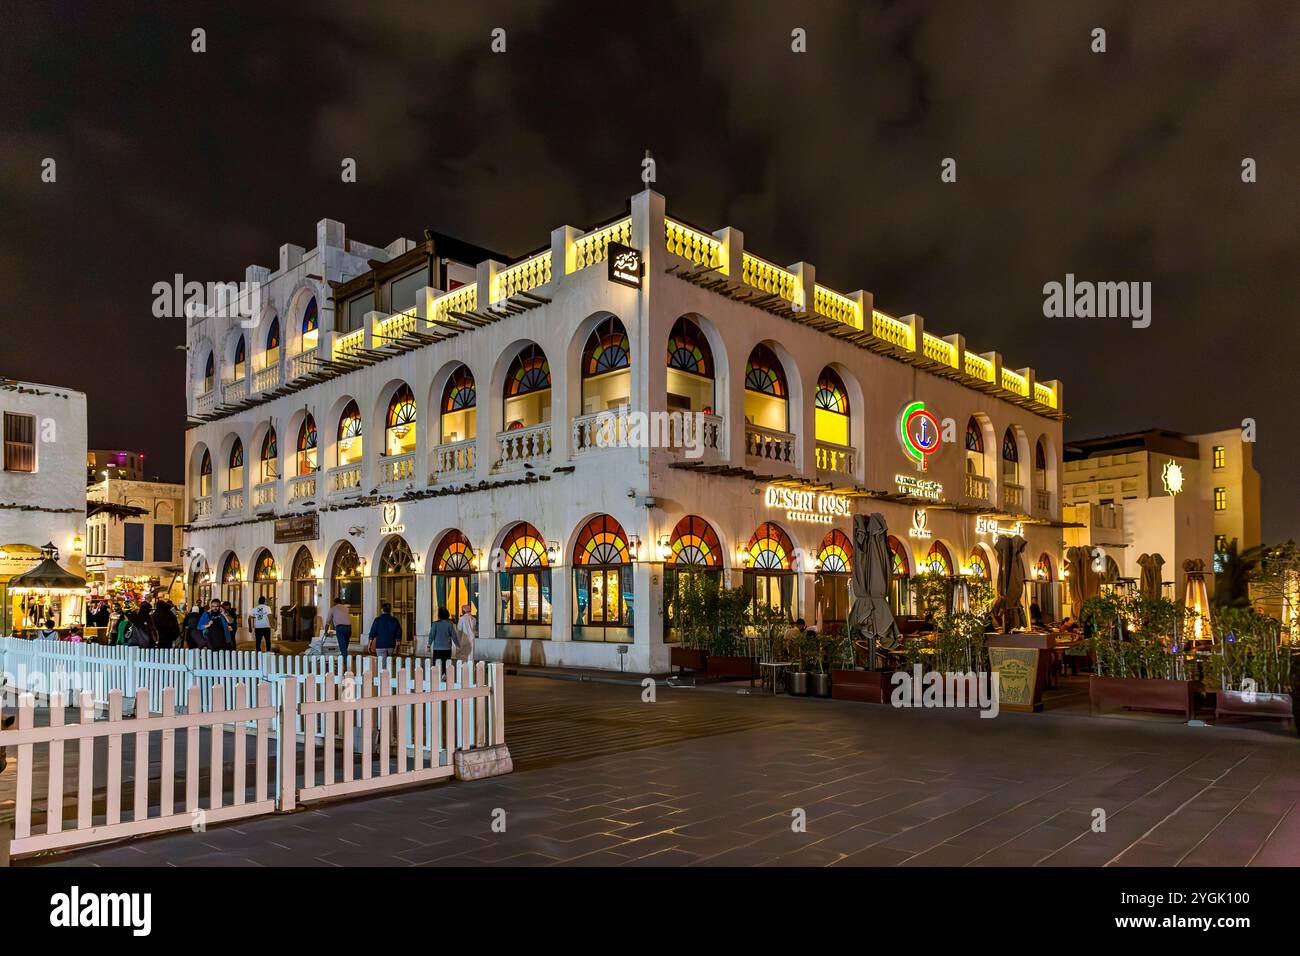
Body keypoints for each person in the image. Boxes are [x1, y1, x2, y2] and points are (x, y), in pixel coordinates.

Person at [325, 595, 353, 666]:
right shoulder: (346, 608)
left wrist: (325, 632)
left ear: (335, 603)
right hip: (349, 628)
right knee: (344, 648)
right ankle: (343, 661)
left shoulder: (332, 609)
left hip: (340, 628)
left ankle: (347, 667)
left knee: (343, 648)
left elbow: (328, 622)